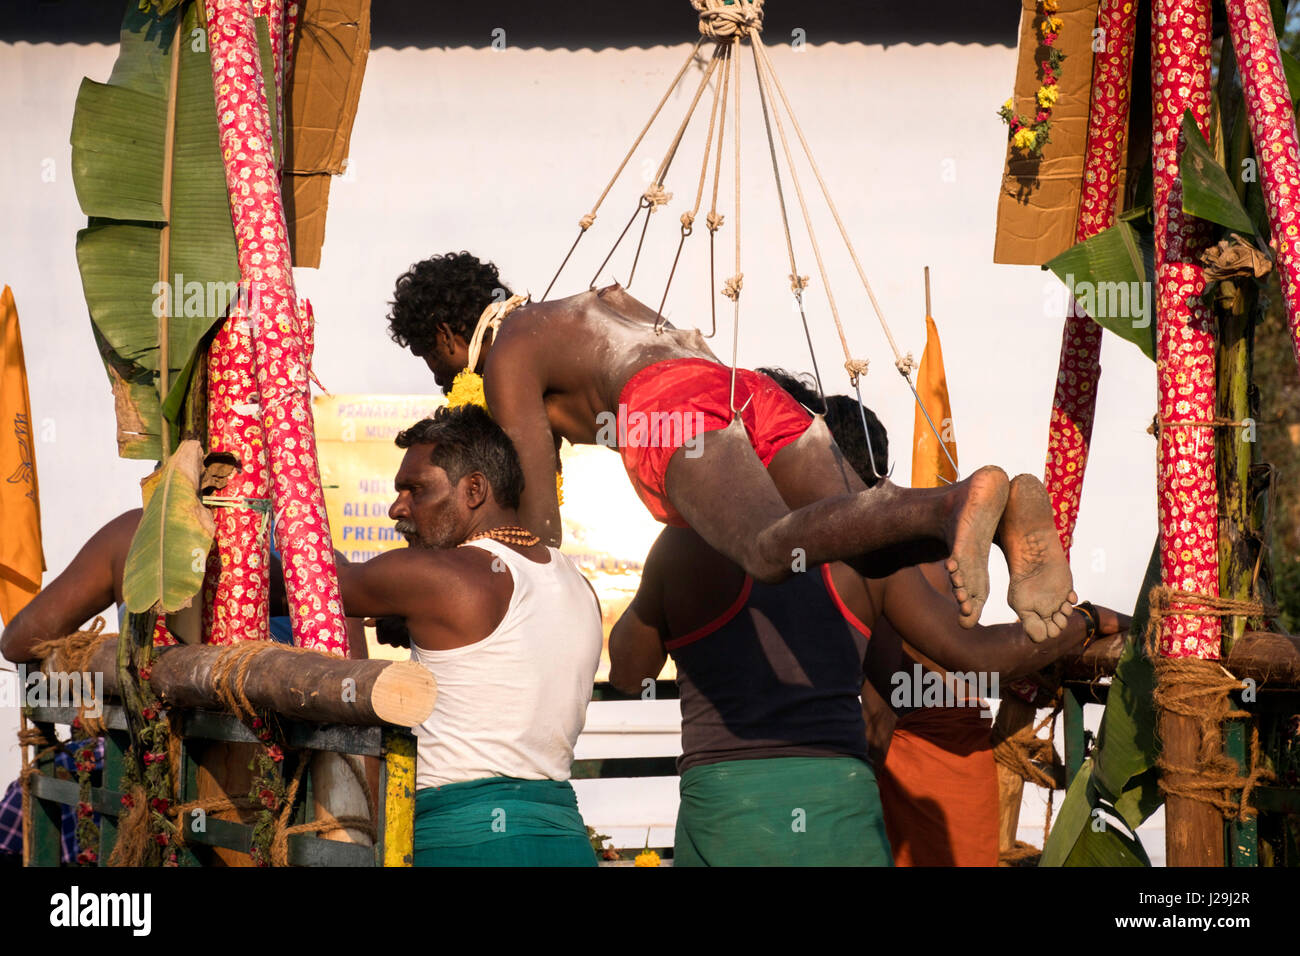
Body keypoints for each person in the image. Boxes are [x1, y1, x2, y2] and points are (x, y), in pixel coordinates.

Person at [387, 252, 1078, 642]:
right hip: (742, 389)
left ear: (448, 333)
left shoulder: (508, 350)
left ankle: (958, 500)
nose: (445, 376)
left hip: (665, 407)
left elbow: (537, 526)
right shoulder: (598, 303)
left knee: (768, 548)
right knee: (861, 538)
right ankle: (984, 510)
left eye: (432, 358)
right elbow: (695, 371)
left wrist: (469, 589)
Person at [607, 369, 1127, 866]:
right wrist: (1082, 621)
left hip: (730, 803)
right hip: (841, 798)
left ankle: (955, 510)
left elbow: (630, 673)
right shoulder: (864, 555)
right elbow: (973, 657)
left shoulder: (683, 544)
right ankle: (957, 508)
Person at [327, 404, 604, 866]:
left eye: (415, 490)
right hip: (561, 837)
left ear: (474, 489)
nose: (398, 507)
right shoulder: (578, 583)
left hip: (465, 840)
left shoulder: (439, 576)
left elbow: (311, 580)